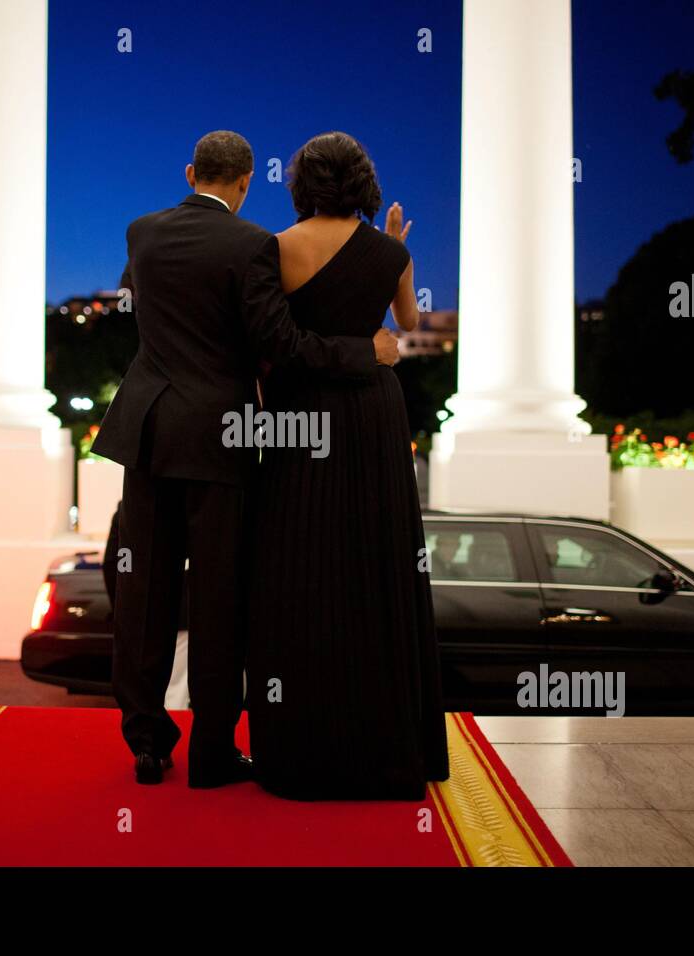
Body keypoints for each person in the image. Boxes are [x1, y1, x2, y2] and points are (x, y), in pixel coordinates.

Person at [92, 131, 401, 787]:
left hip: (148, 431)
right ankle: (211, 754)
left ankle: (147, 744)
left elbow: (146, 310)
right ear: (245, 182)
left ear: (190, 172)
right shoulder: (253, 244)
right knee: (218, 600)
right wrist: (361, 353)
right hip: (219, 439)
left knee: (143, 592)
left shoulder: (141, 232)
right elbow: (279, 341)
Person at [246, 131, 449, 800]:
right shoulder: (393, 251)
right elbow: (408, 322)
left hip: (301, 415)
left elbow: (272, 342)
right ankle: (384, 753)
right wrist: (391, 241)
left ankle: (303, 751)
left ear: (301, 182)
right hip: (372, 415)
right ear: (364, 181)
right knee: (378, 563)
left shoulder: (276, 249)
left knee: (298, 568)